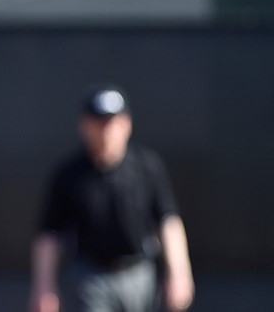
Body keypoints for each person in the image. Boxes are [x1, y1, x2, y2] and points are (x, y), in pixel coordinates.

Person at [29, 85, 195, 312]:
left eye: (113, 122)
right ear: (84, 126)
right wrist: (44, 286)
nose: (106, 130)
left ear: (127, 124)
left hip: (139, 274)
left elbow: (168, 221)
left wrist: (179, 273)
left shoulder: (147, 167)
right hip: (91, 277)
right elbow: (49, 234)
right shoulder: (70, 175)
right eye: (99, 122)